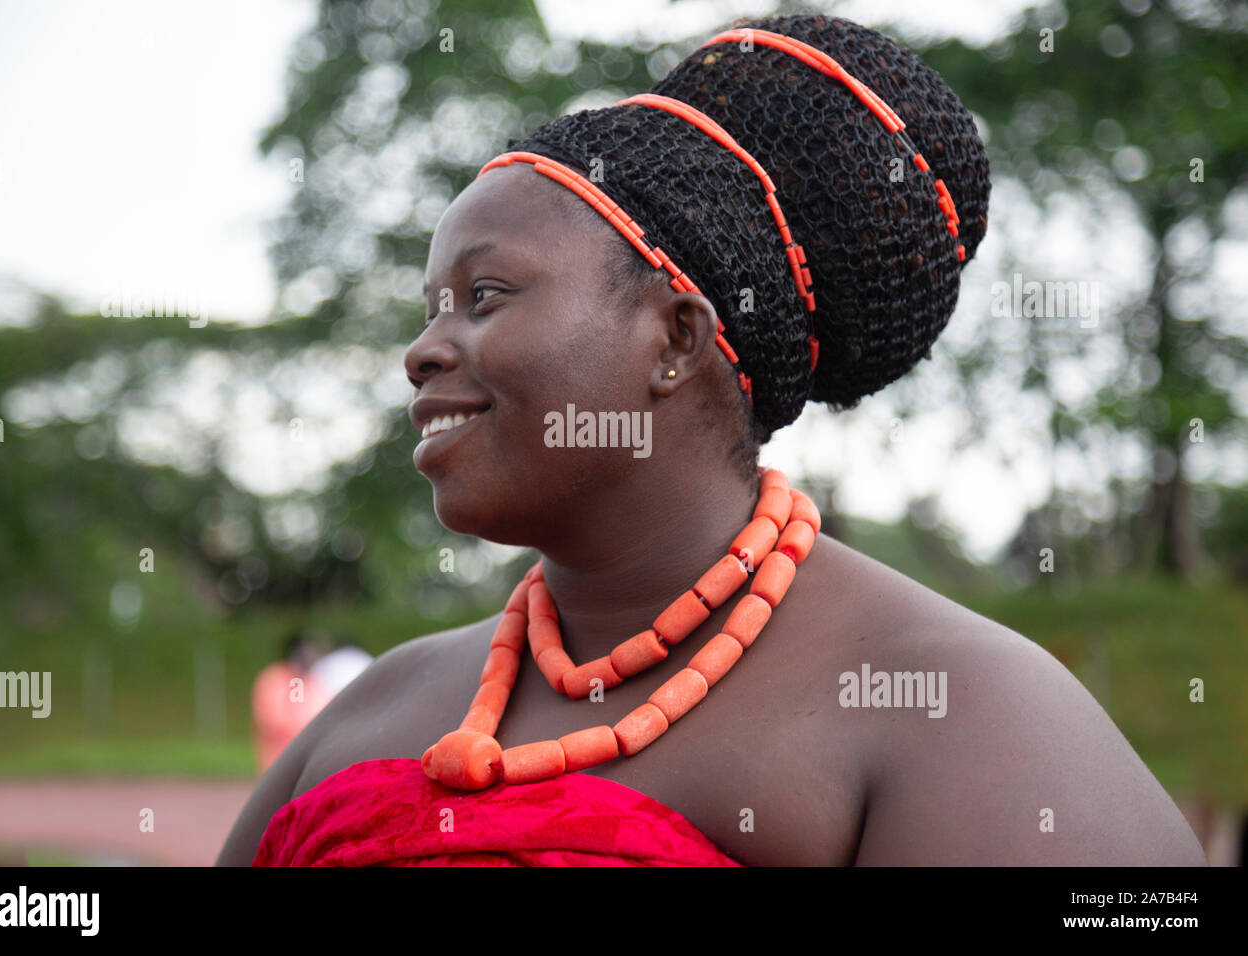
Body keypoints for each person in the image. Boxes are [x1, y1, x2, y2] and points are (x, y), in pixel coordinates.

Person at [219, 13, 1207, 866]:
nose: (422, 351)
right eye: (431, 309)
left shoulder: (964, 708)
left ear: (677, 337)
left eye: (483, 296)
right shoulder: (375, 712)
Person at [249, 630, 332, 775]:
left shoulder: (312, 680)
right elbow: (274, 719)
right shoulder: (276, 679)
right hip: (279, 761)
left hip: (307, 762)